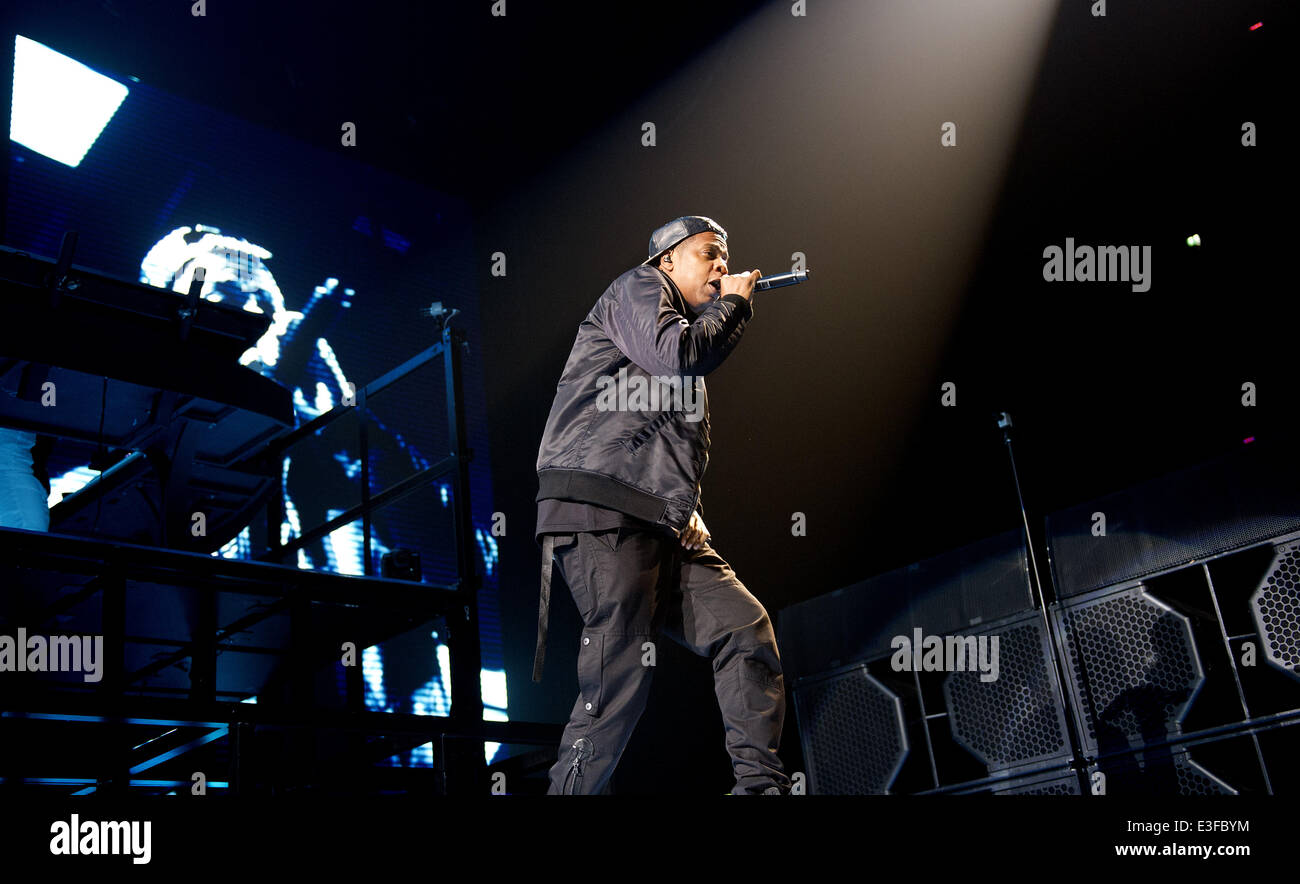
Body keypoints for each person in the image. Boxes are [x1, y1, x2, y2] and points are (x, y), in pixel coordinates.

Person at [532, 215, 791, 795]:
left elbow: (667, 447)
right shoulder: (639, 289)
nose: (723, 267)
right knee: (620, 676)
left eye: (726, 258)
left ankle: (759, 787)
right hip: (603, 514)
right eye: (710, 254)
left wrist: (686, 517)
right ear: (668, 260)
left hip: (661, 524)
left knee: (745, 630)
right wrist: (735, 306)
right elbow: (680, 353)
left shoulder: (682, 337)